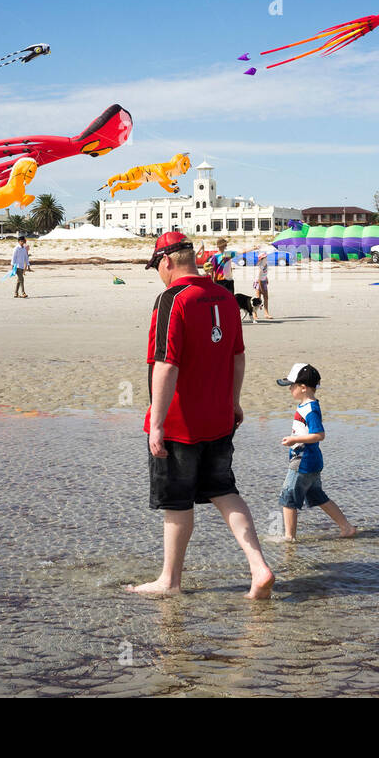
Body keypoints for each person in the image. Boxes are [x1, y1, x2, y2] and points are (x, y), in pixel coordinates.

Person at [128, 231, 274, 599]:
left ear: (166, 263)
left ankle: (169, 581)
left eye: (156, 268)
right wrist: (235, 403)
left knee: (177, 502)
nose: (158, 275)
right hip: (220, 417)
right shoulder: (224, 297)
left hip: (181, 422)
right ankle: (259, 567)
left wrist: (156, 423)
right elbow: (238, 356)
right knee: (224, 490)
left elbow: (166, 364)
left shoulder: (172, 299)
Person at [276, 363, 355, 541]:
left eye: (292, 385)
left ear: (303, 388)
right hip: (310, 460)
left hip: (303, 460)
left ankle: (289, 538)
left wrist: (294, 440)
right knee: (318, 496)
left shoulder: (311, 409)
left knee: (288, 497)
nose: (289, 389)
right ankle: (346, 527)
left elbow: (319, 435)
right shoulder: (305, 405)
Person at [254, 250, 273, 319]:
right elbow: (259, 277)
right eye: (265, 257)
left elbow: (264, 273)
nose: (266, 258)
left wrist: (266, 278)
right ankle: (254, 314)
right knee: (258, 299)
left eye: (266, 257)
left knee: (266, 297)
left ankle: (266, 313)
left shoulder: (266, 264)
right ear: (262, 259)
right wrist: (261, 287)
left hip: (264, 281)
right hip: (259, 282)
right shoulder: (261, 266)